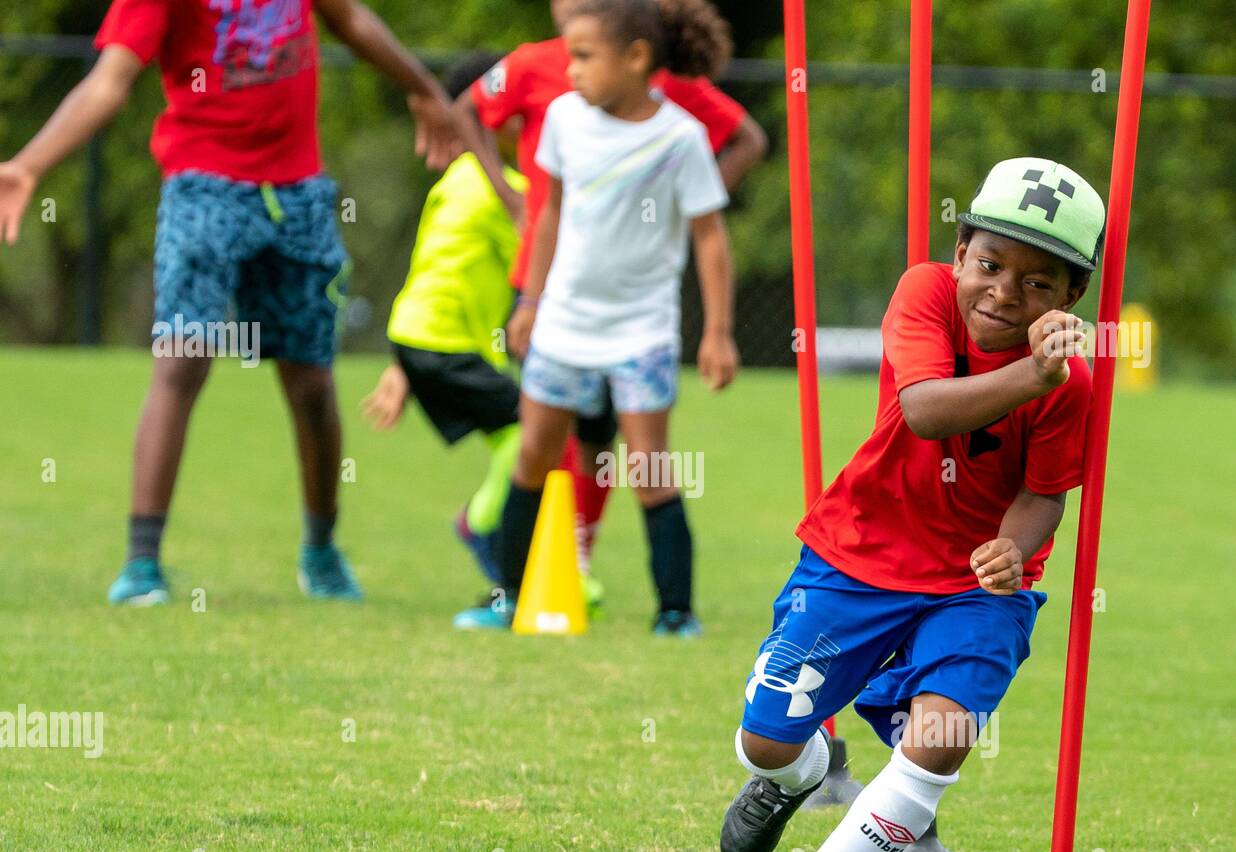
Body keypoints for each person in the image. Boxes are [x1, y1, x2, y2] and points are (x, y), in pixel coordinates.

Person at [719, 157, 1106, 852]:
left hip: (977, 587)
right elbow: (928, 410)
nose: (1003, 292)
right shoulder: (924, 292)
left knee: (942, 737)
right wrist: (1035, 374)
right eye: (990, 265)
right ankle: (803, 773)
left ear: (1070, 298)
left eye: (1037, 284)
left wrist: (1011, 548)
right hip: (857, 551)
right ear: (959, 253)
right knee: (765, 742)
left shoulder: (1076, 384)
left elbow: (1043, 496)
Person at [0, 0, 456, 605]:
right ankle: (142, 565)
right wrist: (30, 164)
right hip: (203, 187)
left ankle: (320, 553)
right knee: (182, 359)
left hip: (298, 192)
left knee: (312, 383)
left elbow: (350, 19)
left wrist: (423, 87)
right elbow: (111, 80)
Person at [453, 0, 767, 609]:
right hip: (563, 322)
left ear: (636, 58)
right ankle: (511, 599)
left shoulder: (679, 137)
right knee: (534, 457)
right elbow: (549, 217)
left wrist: (719, 332)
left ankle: (675, 614)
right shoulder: (567, 119)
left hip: (640, 333)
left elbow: (710, 238)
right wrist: (531, 305)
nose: (568, 71)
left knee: (649, 469)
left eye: (583, 57)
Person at [361, 52, 528, 585]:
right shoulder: (506, 193)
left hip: (421, 339)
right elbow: (543, 263)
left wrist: (402, 362)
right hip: (444, 345)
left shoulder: (457, 179)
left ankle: (509, 542)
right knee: (535, 435)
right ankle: (481, 526)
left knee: (517, 437)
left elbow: (429, 269)